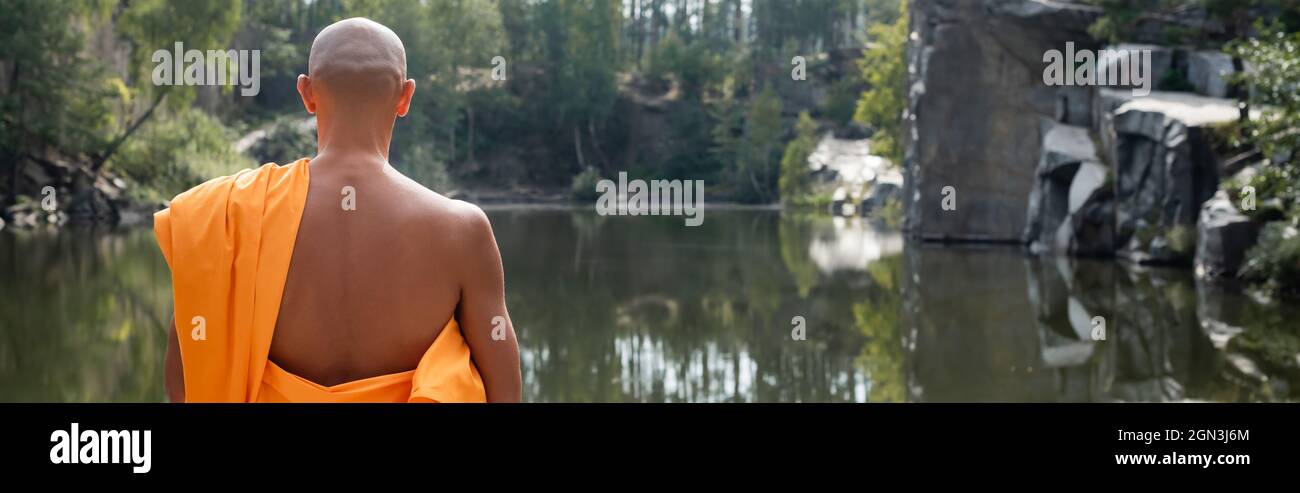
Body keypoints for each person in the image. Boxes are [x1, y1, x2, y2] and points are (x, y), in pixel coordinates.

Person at [155, 17, 521, 403]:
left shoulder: (228, 216)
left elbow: (186, 379)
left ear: (307, 93)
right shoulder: (461, 230)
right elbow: (505, 389)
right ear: (405, 97)